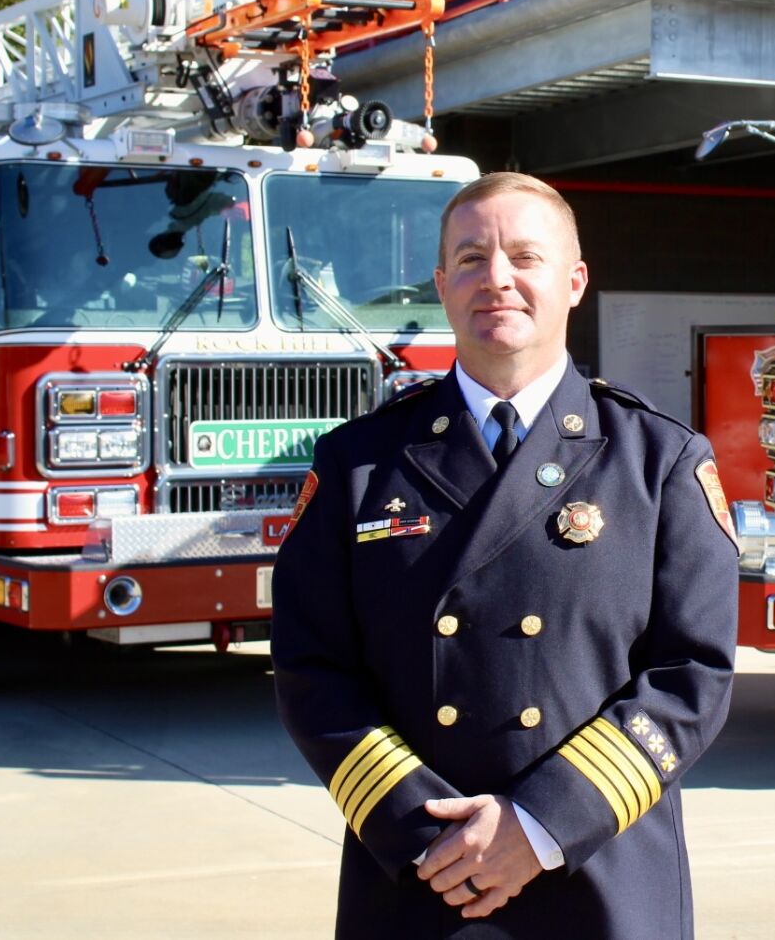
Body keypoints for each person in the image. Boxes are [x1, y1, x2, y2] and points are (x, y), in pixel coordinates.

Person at [272, 171, 740, 938]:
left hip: (600, 872)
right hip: (424, 876)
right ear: (441, 284)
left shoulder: (658, 460)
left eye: (525, 257)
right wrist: (432, 837)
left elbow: (692, 675)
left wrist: (540, 824)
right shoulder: (360, 464)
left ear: (574, 280)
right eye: (470, 258)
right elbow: (310, 668)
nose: (497, 279)